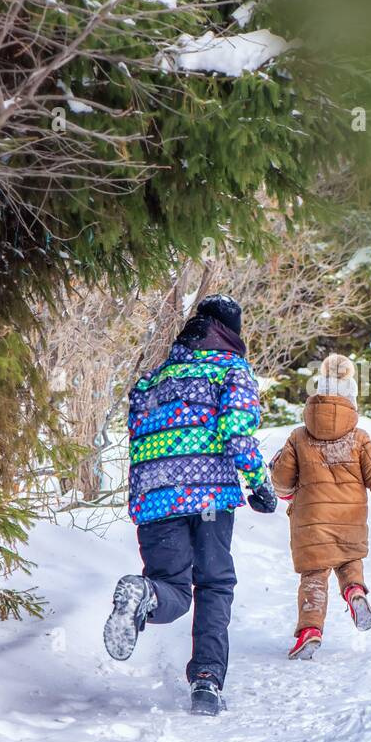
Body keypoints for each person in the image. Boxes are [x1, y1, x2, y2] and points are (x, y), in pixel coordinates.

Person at [102, 295, 277, 715]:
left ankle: (144, 593)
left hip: (155, 498)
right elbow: (237, 430)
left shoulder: (152, 378)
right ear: (231, 332)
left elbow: (139, 436)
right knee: (214, 584)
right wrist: (259, 485)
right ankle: (206, 682)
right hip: (210, 497)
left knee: (173, 587)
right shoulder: (231, 369)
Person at [268, 354, 371, 660]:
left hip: (310, 522)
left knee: (314, 577)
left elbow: (282, 481)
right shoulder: (358, 438)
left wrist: (281, 484)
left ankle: (310, 631)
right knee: (349, 562)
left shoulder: (298, 437)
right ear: (351, 398)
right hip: (349, 518)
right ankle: (354, 591)